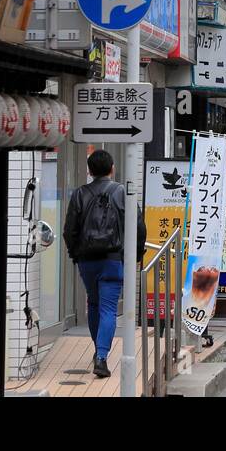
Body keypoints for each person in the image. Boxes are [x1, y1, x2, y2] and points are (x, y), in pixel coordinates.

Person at [63, 149, 146, 378]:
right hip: (113, 260)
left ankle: (98, 349)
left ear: (89, 171)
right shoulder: (121, 192)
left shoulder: (80, 194)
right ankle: (101, 356)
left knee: (93, 304)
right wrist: (136, 255)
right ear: (112, 169)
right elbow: (138, 226)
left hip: (87, 260)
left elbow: (69, 229)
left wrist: (75, 253)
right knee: (109, 308)